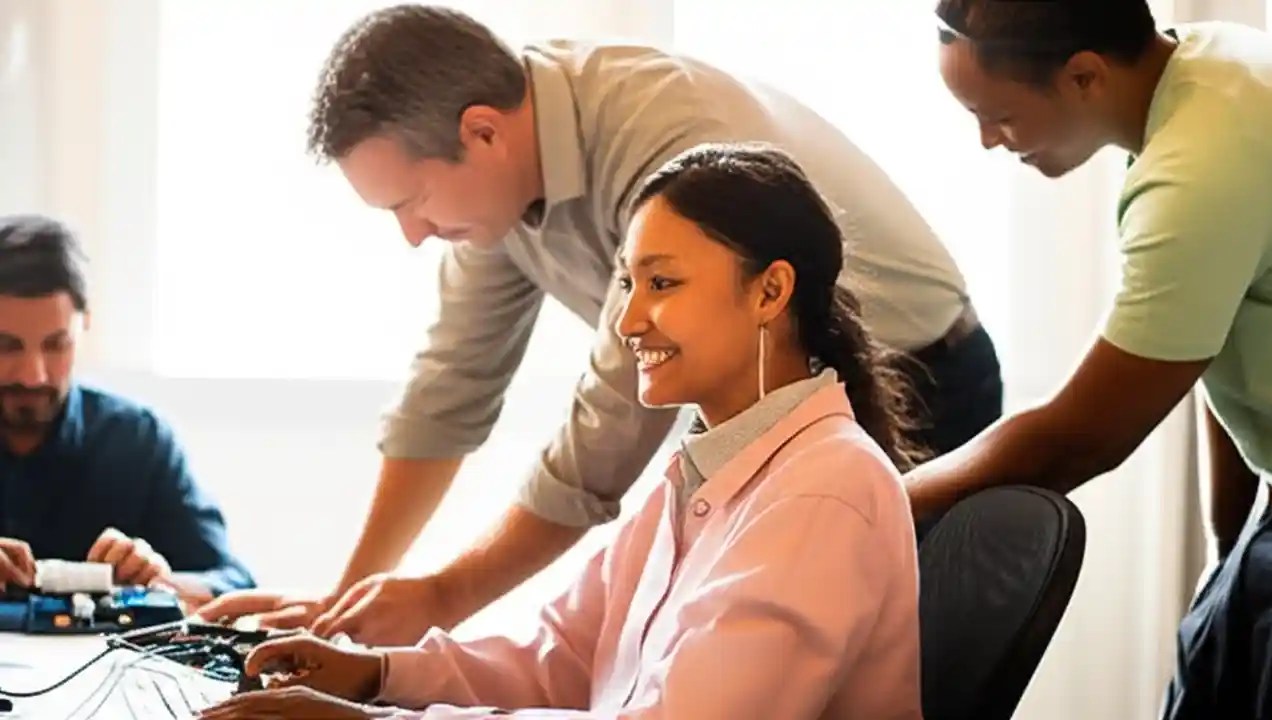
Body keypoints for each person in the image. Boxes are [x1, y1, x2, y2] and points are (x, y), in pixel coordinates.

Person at [196, 3, 1000, 644]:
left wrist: (443, 595)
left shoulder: (665, 144)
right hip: (769, 416)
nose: (412, 235)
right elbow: (448, 391)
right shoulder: (495, 186)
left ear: (482, 131)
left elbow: (610, 432)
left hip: (918, 387)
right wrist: (347, 606)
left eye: (410, 202)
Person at [197, 142, 921, 720]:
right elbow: (565, 659)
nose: (629, 320)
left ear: (770, 291)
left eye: (662, 284)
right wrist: (378, 675)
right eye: (626, 284)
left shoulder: (826, 491)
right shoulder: (700, 473)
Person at [913, 0, 1272, 716]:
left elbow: (1075, 439)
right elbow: (1203, 341)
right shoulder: (1212, 66)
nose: (988, 141)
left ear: (1083, 75)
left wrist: (871, 502)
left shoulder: (1197, 172)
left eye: (1000, 115)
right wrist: (1227, 542)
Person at [0, 214, 254, 603]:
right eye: (7, 346)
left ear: (84, 327)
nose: (33, 376)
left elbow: (233, 580)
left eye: (56, 345)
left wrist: (160, 582)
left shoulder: (138, 441)